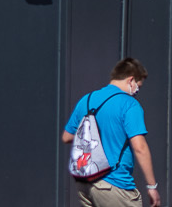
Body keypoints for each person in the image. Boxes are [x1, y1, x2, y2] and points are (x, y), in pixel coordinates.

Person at [62, 58, 161, 207]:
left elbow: (67, 137)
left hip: (85, 182)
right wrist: (152, 186)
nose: (136, 92)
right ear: (131, 80)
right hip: (114, 183)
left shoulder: (86, 100)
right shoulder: (129, 104)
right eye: (138, 87)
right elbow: (140, 147)